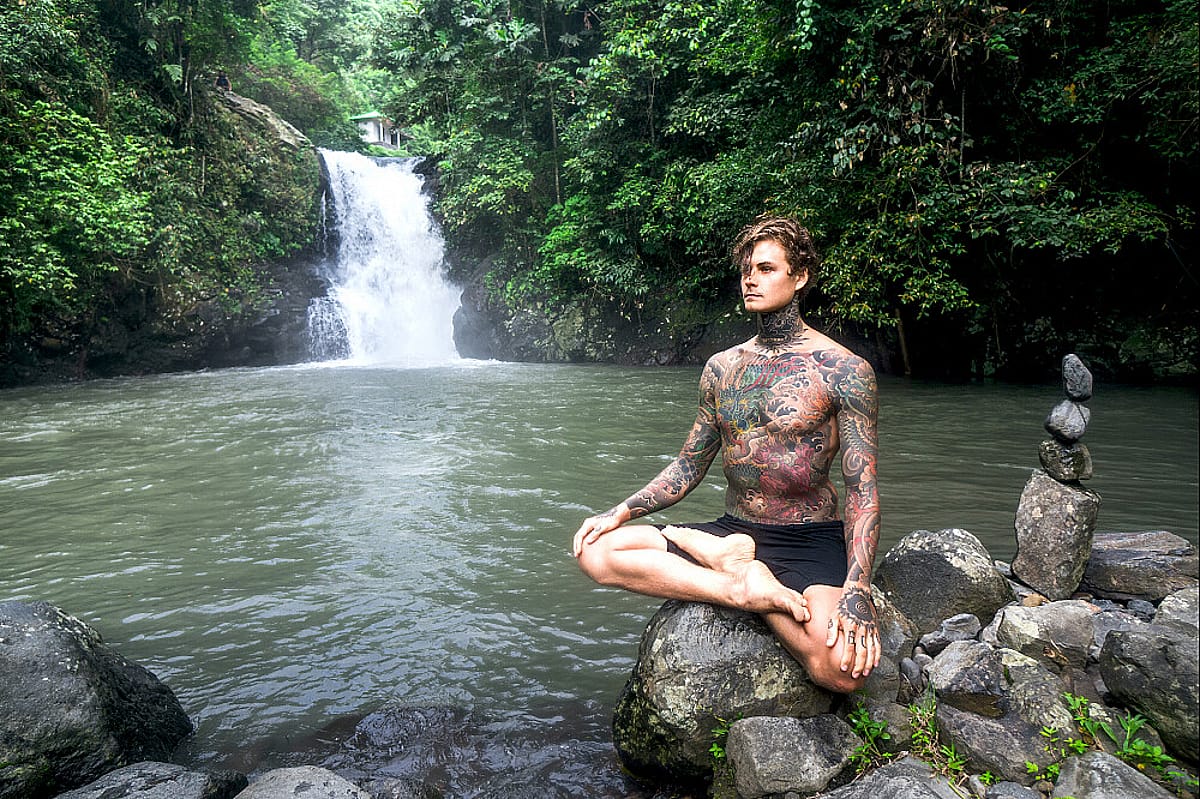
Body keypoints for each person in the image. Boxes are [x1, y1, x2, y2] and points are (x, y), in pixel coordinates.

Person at [572, 216, 881, 693]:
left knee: (840, 670)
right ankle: (738, 584)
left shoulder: (844, 370)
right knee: (594, 551)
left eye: (765, 268)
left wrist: (857, 589)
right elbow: (688, 465)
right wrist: (619, 512)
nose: (750, 279)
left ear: (800, 277)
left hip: (809, 538)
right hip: (734, 530)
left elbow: (862, 486)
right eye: (745, 270)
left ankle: (750, 581)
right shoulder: (722, 368)